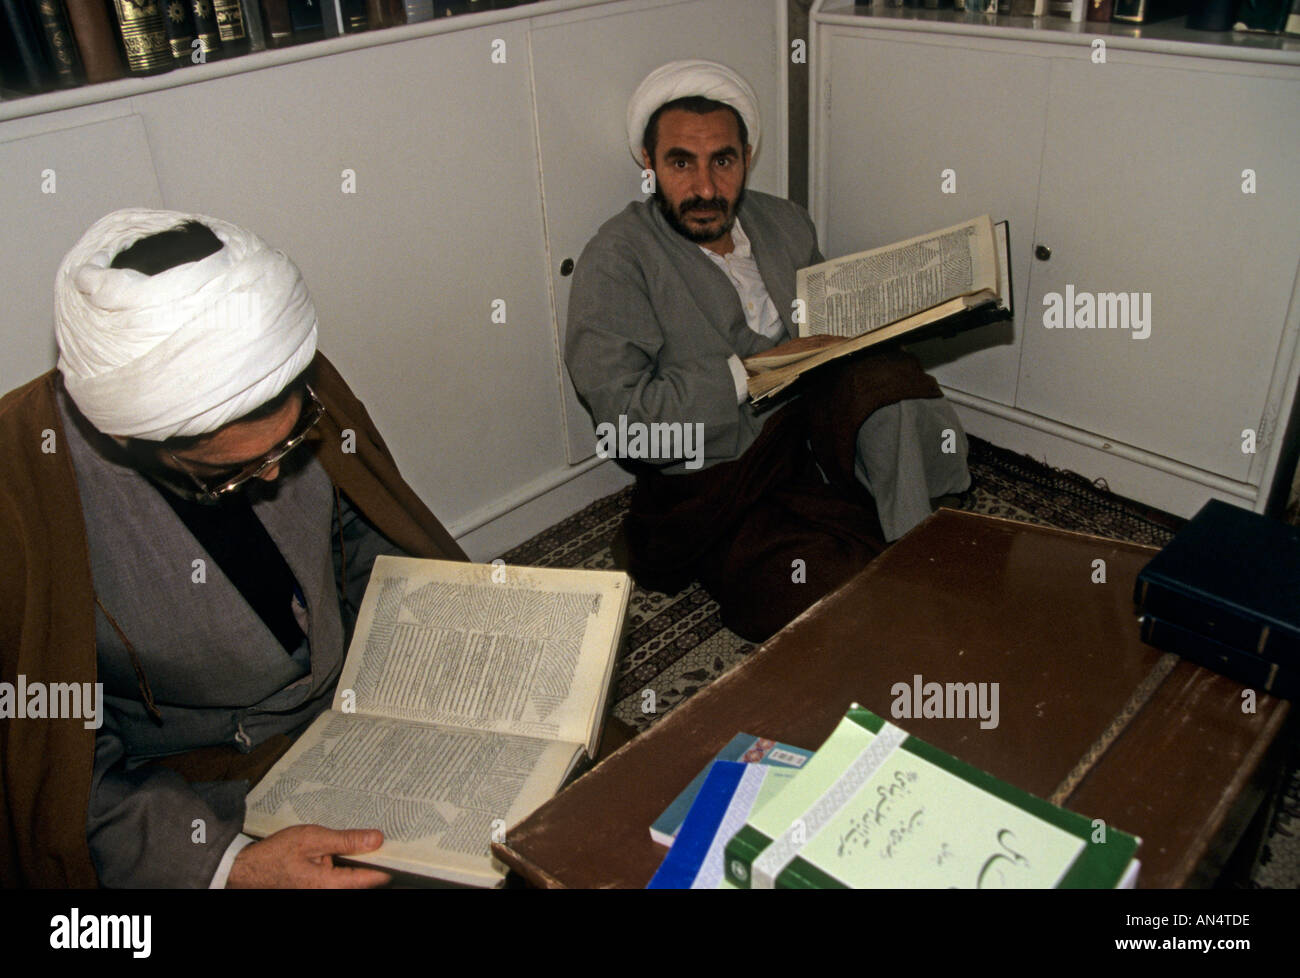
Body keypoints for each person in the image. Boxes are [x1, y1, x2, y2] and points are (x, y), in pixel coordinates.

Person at [0, 209, 466, 887]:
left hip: (360, 711)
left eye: (288, 443)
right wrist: (228, 867)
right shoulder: (22, 488)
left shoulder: (273, 368)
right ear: (133, 439)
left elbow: (365, 538)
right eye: (237, 470)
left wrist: (426, 666)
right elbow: (65, 767)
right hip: (199, 785)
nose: (277, 474)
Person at [565, 60, 971, 642]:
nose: (705, 188)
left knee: (888, 385)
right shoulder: (616, 259)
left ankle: (914, 543)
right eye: (682, 162)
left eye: (722, 161)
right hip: (723, 481)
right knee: (828, 595)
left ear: (746, 158)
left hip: (808, 434)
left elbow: (833, 327)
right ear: (649, 165)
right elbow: (628, 424)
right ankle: (870, 553)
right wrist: (745, 375)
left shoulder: (783, 222)